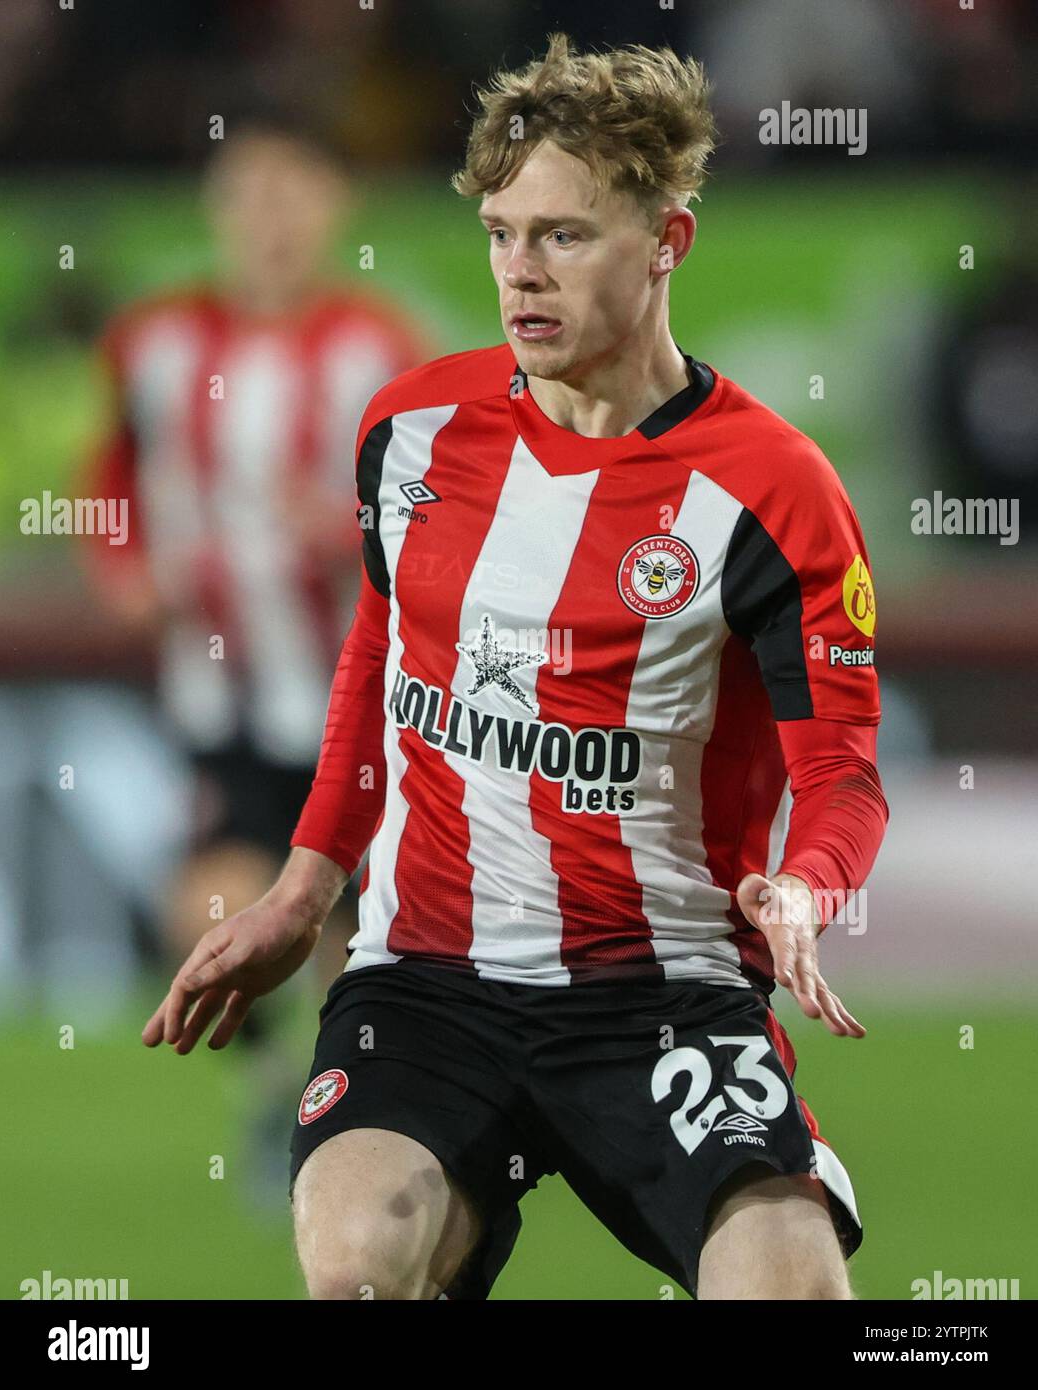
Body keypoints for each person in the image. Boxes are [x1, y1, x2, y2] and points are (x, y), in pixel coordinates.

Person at [143, 35, 889, 1299]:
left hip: (663, 993)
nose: (518, 275)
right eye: (500, 233)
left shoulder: (774, 491)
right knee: (357, 1262)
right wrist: (305, 887)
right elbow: (377, 667)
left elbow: (843, 771)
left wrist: (807, 886)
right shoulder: (413, 428)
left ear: (668, 241)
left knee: (794, 1289)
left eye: (562, 236)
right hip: (428, 983)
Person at [85, 112, 429, 1196]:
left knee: (355, 931)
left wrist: (338, 526)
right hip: (223, 692)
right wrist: (124, 571)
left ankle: (336, 1120)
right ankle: (285, 1074)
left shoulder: (380, 346)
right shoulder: (156, 343)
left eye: (294, 191)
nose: (271, 218)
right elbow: (111, 479)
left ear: (336, 208)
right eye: (249, 192)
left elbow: (432, 504)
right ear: (217, 209)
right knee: (215, 905)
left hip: (356, 694)